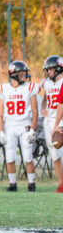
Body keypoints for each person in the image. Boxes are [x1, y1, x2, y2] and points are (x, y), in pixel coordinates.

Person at [0, 59, 39, 192]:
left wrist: (33, 129)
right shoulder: (3, 89)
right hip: (9, 126)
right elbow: (0, 113)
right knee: (10, 157)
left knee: (28, 156)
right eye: (21, 73)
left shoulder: (30, 87)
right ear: (13, 74)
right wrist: (0, 131)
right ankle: (12, 184)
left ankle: (31, 184)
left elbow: (35, 110)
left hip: (25, 125)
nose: (24, 75)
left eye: (24, 73)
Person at [42, 55, 63, 192]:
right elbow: (45, 98)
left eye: (50, 69)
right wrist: (43, 108)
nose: (49, 72)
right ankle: (61, 185)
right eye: (47, 70)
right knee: (54, 154)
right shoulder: (46, 83)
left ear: (58, 68)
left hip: (60, 121)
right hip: (49, 121)